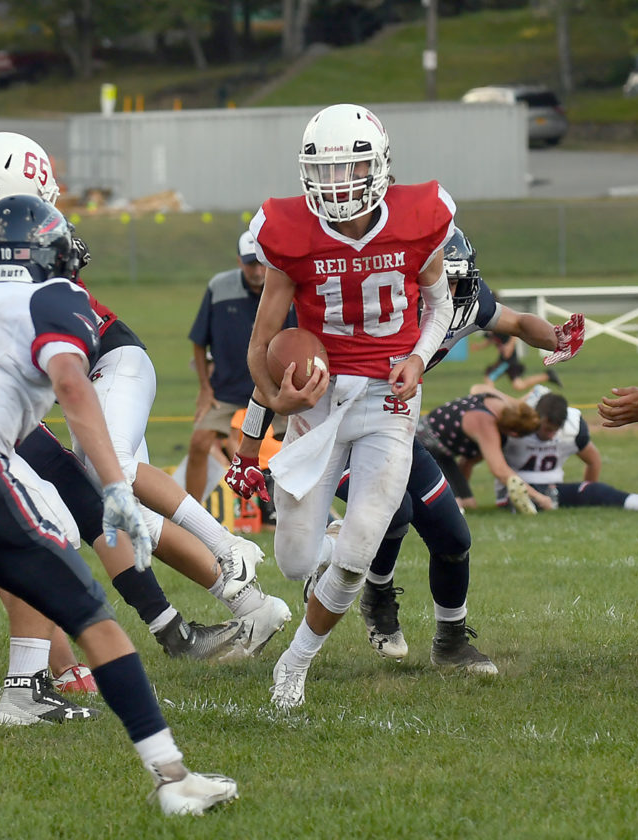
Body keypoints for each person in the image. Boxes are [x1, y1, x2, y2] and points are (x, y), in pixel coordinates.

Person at [0, 193, 237, 815]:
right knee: (94, 618)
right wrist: (117, 486)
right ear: (49, 254)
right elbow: (71, 382)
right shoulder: (53, 297)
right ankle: (172, 778)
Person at [228, 227, 584, 672]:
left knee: (453, 536)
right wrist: (247, 451)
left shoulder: (460, 303)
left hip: (390, 429)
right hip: (329, 435)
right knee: (386, 517)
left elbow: (514, 322)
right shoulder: (375, 308)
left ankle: (450, 641)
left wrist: (556, 338)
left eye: (456, 282)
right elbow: (277, 369)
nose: (447, 292)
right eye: (441, 281)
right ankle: (372, 592)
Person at [238, 103, 456, 709]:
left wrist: (417, 357)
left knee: (361, 548)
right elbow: (261, 344)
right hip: (317, 400)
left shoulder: (420, 218)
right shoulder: (288, 230)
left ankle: (296, 662)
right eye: (325, 171)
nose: (337, 185)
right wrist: (276, 398)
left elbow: (439, 306)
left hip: (388, 396)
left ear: (380, 165)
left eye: (349, 169)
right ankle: (335, 546)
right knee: (293, 560)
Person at [185, 231, 293, 502]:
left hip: (274, 388)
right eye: (250, 264)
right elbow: (199, 341)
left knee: (299, 445)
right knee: (199, 443)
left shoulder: (286, 286)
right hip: (226, 391)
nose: (257, 271)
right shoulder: (219, 287)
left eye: (261, 263)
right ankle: (190, 515)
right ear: (238, 261)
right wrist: (204, 389)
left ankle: (315, 512)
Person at [495, 388, 638, 511]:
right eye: (546, 429)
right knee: (525, 496)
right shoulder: (515, 426)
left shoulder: (573, 429)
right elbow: (481, 455)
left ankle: (635, 502)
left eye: (555, 430)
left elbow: (593, 460)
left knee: (594, 490)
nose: (551, 436)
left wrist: (587, 495)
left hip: (553, 489)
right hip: (515, 489)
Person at [417, 390, 553, 514]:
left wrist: (461, 490)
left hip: (444, 454)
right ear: (513, 433)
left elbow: (468, 462)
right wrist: (539, 498)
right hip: (423, 447)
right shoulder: (485, 424)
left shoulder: (501, 402)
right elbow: (500, 470)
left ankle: (457, 499)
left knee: (469, 505)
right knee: (454, 508)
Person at [475, 320, 563, 392]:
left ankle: (492, 402)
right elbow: (491, 340)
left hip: (507, 360)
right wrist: (479, 346)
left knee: (489, 378)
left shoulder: (500, 324)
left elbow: (514, 333)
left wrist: (510, 346)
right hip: (508, 360)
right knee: (519, 385)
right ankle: (547, 376)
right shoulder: (491, 329)